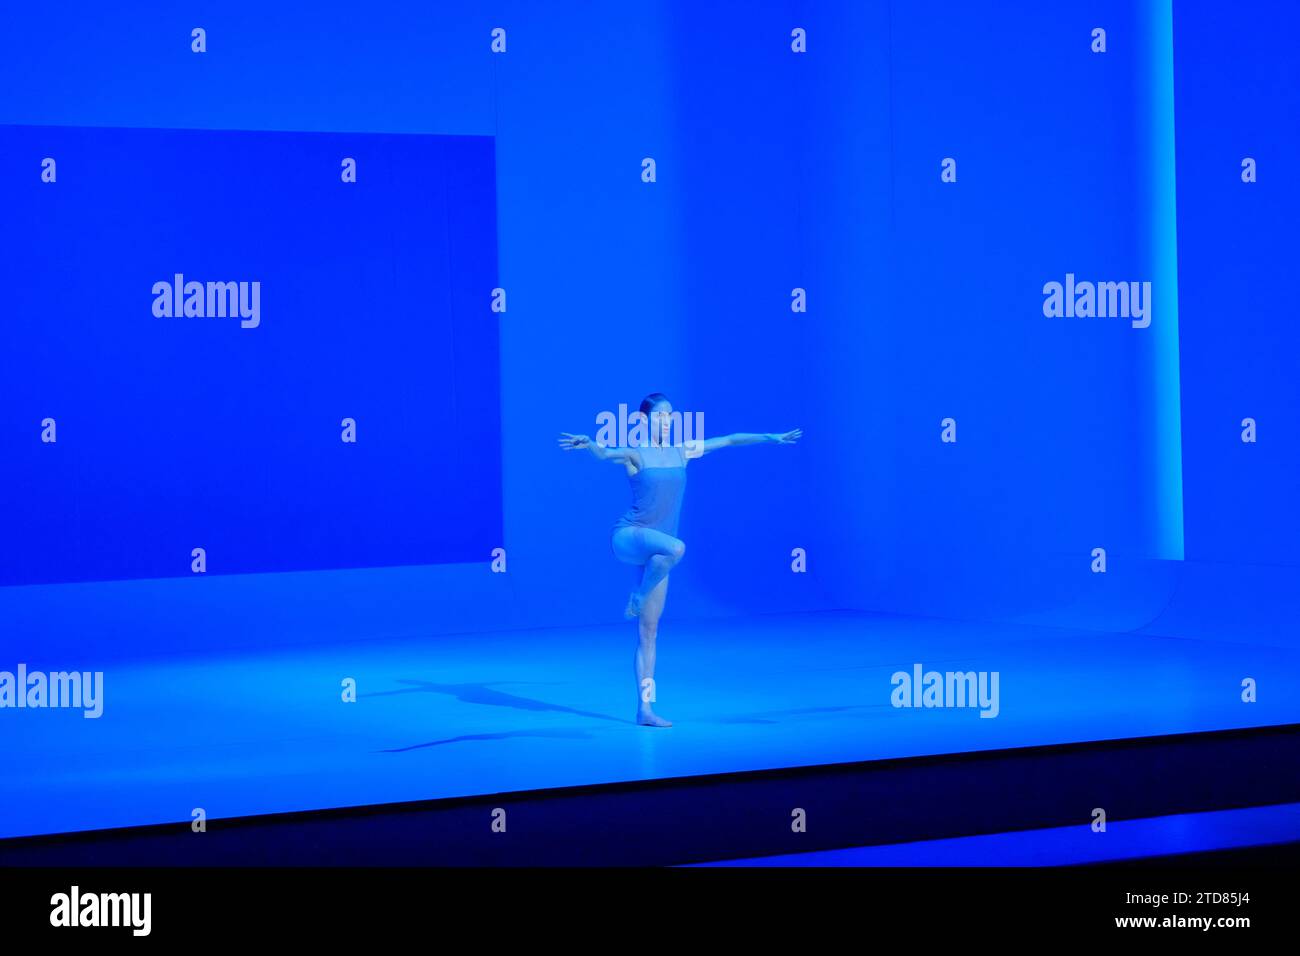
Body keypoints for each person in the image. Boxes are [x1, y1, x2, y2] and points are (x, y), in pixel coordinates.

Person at [559, 393, 801, 726]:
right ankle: (639, 595)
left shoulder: (682, 451)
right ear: (644, 420)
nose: (667, 421)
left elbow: (729, 440)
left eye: (670, 416)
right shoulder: (635, 453)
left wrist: (770, 437)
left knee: (649, 632)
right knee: (676, 549)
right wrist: (589, 444)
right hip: (630, 536)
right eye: (660, 416)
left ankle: (644, 709)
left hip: (658, 554)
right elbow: (604, 453)